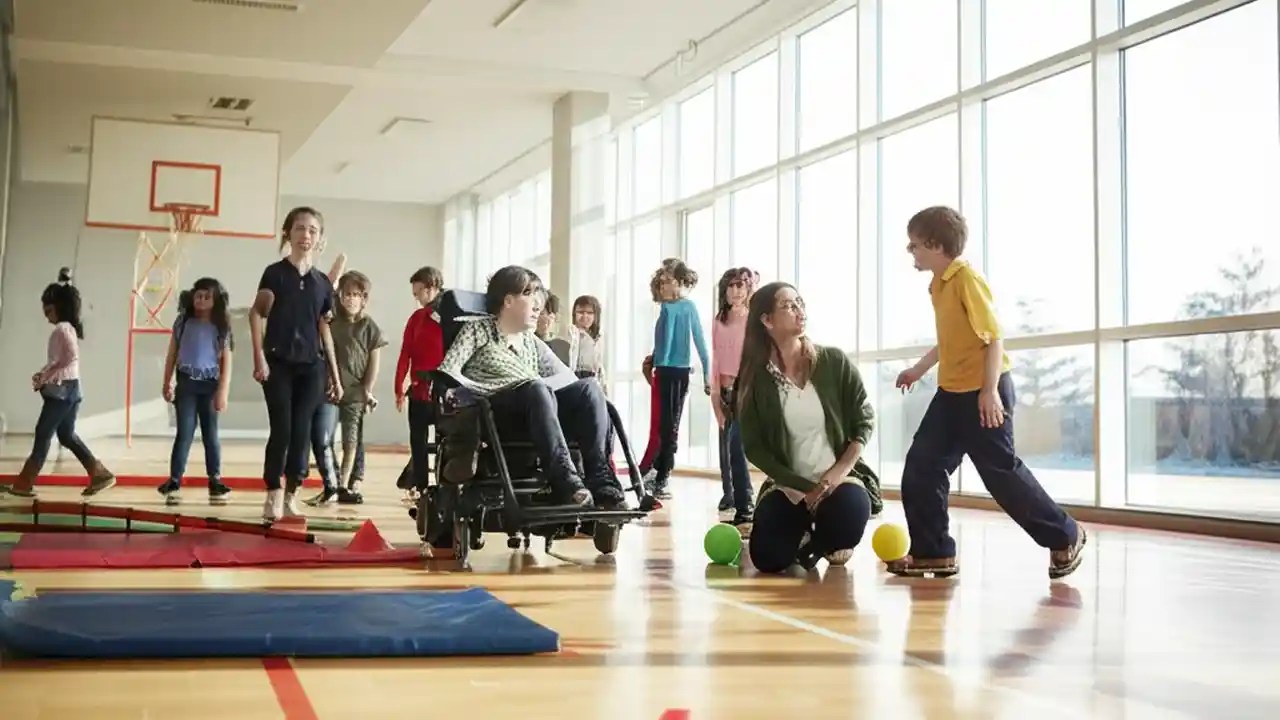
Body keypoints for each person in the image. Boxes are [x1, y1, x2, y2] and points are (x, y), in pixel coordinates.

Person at [892, 206, 1086, 579]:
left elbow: (993, 337)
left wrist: (989, 391)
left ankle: (1066, 534)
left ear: (934, 244)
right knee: (923, 465)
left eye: (914, 244)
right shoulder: (939, 283)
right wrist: (920, 368)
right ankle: (933, 553)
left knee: (1000, 473)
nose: (910, 251)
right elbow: (952, 340)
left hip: (982, 391)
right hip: (951, 394)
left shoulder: (966, 278)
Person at [435, 265, 625, 509]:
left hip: (541, 410)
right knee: (535, 387)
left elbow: (566, 377)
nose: (538, 305)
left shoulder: (531, 342)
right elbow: (448, 371)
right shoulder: (477, 331)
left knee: (589, 388)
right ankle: (564, 479)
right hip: (498, 413)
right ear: (509, 300)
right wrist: (480, 388)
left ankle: (601, 480)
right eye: (529, 295)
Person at [737, 282, 881, 572]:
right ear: (766, 320)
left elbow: (863, 420)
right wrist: (804, 490)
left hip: (839, 480)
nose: (799, 310)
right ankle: (803, 532)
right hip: (789, 486)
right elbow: (754, 447)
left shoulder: (833, 361)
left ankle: (821, 542)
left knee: (849, 516)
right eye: (788, 306)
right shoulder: (756, 380)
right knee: (768, 559)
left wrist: (831, 479)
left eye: (799, 302)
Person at [250, 206, 342, 522]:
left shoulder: (322, 284)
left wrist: (335, 374)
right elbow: (256, 313)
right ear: (288, 233)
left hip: (311, 368)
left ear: (320, 238)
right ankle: (273, 494)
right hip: (278, 365)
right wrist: (258, 356)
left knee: (302, 433)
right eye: (300, 228)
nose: (306, 235)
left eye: (313, 230)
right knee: (283, 429)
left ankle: (291, 496)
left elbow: (324, 328)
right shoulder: (274, 273)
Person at [5, 273, 116, 497]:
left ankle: (24, 483)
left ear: (59, 307)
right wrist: (44, 374)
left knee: (43, 432)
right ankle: (99, 473)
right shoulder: (69, 328)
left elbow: (67, 359)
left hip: (62, 391)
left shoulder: (62, 329)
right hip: (72, 389)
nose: (47, 317)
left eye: (48, 311)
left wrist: (44, 377)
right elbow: (63, 361)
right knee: (66, 435)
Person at [157, 277, 233, 505]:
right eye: (198, 295)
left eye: (207, 296)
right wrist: (167, 382)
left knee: (211, 434)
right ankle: (174, 478)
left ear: (215, 300)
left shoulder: (221, 327)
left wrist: (223, 391)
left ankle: (215, 478)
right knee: (184, 433)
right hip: (187, 383)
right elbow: (172, 354)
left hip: (210, 385)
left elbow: (226, 361)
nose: (201, 300)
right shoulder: (183, 323)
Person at [648, 259, 711, 499]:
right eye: (661, 282)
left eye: (668, 281)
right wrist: (653, 362)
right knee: (662, 424)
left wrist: (707, 375)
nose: (664, 286)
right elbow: (662, 342)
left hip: (678, 372)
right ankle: (658, 468)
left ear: (681, 282)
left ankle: (664, 474)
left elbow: (700, 342)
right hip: (662, 372)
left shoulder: (687, 307)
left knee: (670, 425)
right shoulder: (664, 308)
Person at [328, 270, 386, 496]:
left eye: (356, 294)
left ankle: (346, 482)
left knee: (352, 440)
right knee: (326, 439)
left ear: (364, 299)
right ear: (340, 296)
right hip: (331, 392)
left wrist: (367, 391)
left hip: (355, 393)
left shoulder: (369, 326)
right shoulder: (332, 323)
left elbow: (374, 362)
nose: (351, 299)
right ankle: (333, 479)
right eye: (347, 294)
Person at [393, 266, 445, 498]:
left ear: (432, 287)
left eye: (419, 293)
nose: (417, 299)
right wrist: (399, 388)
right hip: (418, 391)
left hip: (444, 392)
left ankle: (445, 486)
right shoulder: (416, 318)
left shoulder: (450, 318)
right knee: (418, 442)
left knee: (447, 441)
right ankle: (421, 486)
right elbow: (406, 353)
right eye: (414, 295)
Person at [711, 267, 758, 523]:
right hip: (726, 391)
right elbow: (716, 360)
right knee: (729, 449)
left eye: (740, 285)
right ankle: (739, 501)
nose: (735, 291)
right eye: (730, 286)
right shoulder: (718, 321)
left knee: (737, 446)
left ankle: (745, 505)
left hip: (747, 389)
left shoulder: (753, 320)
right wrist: (715, 394)